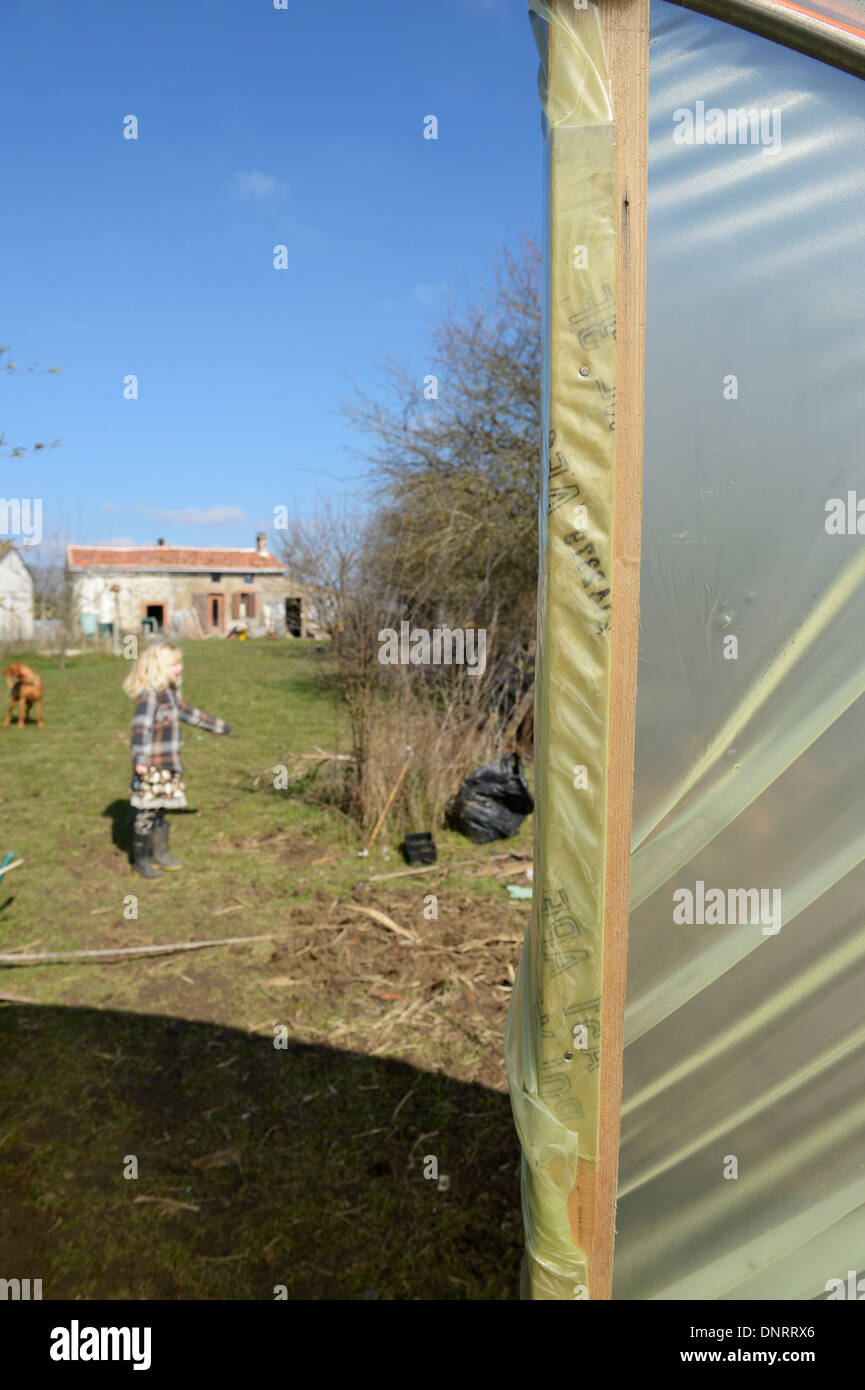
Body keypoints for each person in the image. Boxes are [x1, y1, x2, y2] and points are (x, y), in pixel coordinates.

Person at [122, 642, 231, 880]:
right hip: (151, 767)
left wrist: (219, 726)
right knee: (146, 812)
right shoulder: (148, 697)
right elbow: (140, 730)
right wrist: (140, 760)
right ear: (158, 668)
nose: (180, 668)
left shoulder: (170, 695)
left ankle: (159, 854)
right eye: (175, 664)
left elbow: (190, 714)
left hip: (168, 765)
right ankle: (140, 861)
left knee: (159, 811)